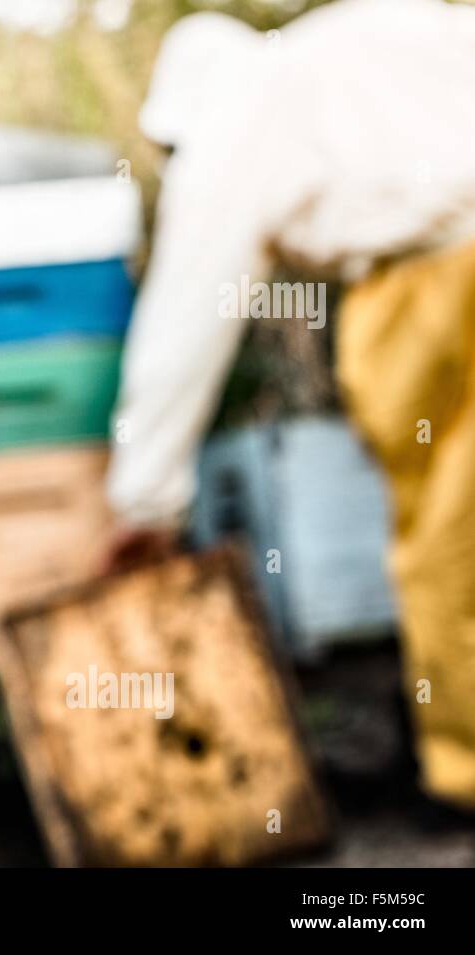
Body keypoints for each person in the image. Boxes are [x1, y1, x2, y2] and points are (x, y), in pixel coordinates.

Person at [102, 0, 475, 810]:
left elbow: (189, 310)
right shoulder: (355, 40)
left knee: (446, 543)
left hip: (439, 286)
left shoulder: (241, 108)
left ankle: (464, 771)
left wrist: (146, 498)